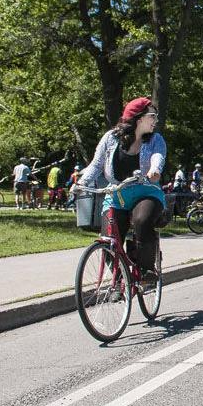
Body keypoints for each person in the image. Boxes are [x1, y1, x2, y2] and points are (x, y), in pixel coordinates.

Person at [72, 97, 167, 287]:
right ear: (138, 118)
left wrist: (155, 169)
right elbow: (96, 164)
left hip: (146, 192)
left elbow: (158, 156)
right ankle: (119, 280)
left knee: (142, 221)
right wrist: (81, 183)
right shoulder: (110, 138)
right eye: (152, 116)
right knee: (109, 240)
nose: (155, 120)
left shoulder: (155, 139)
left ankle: (146, 269)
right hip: (117, 194)